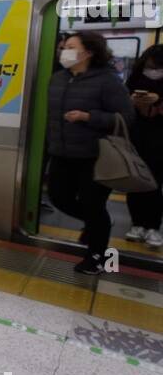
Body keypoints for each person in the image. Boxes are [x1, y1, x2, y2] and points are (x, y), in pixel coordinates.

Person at [46, 31, 136, 275]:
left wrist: (88, 117)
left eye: (71, 46)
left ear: (89, 52)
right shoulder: (58, 79)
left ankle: (96, 257)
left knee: (93, 206)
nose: (63, 50)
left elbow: (127, 118)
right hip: (62, 152)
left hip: (96, 156)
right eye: (64, 46)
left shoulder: (108, 81)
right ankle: (100, 223)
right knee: (59, 197)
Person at [124, 45, 163, 248]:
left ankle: (153, 226)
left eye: (157, 67)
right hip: (137, 136)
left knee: (155, 183)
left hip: (160, 139)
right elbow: (122, 102)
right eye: (149, 66)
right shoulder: (135, 78)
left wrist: (158, 101)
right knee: (136, 180)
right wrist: (131, 101)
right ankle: (137, 223)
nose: (152, 70)